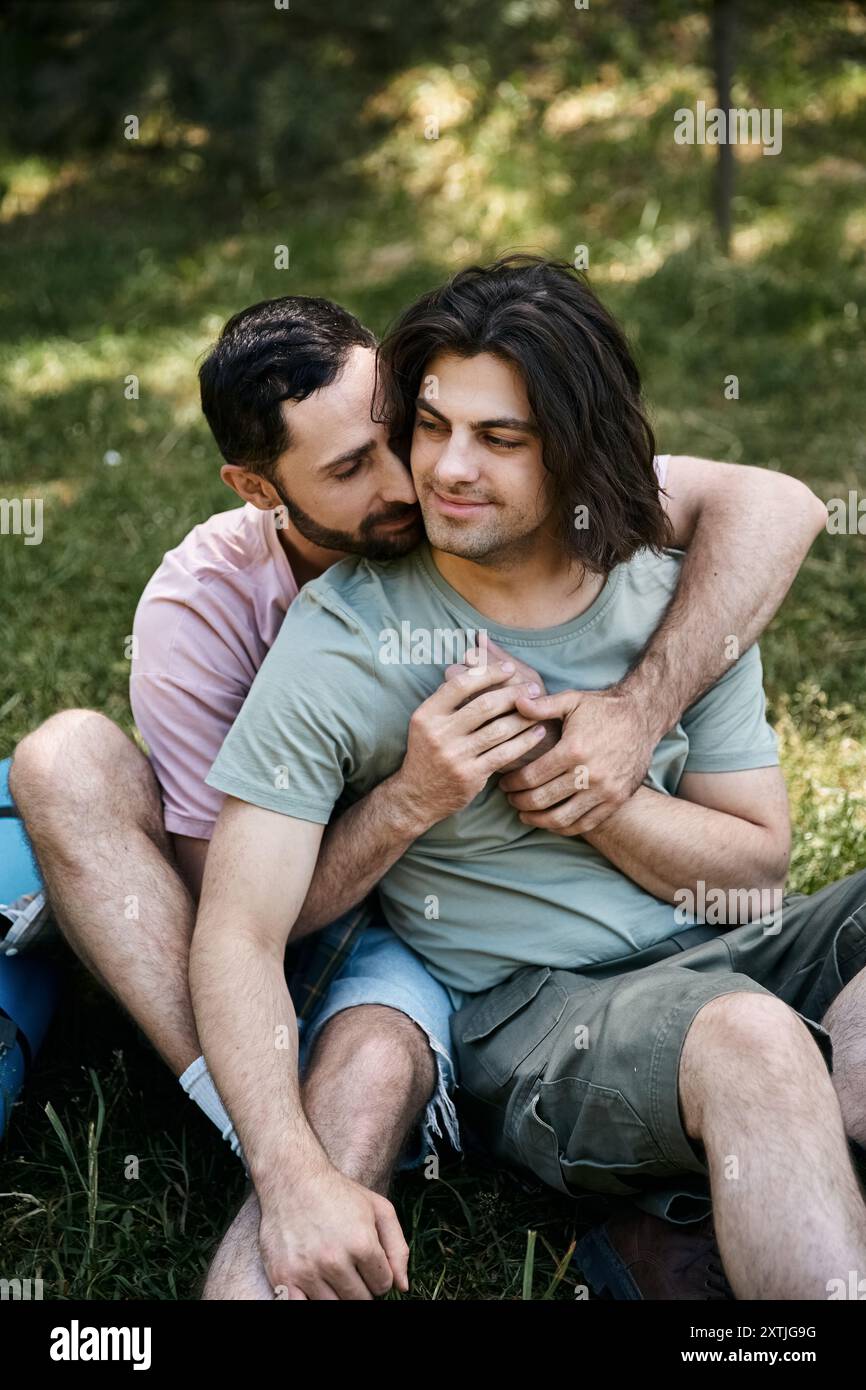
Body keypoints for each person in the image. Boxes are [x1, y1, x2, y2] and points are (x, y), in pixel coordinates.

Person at [190, 258, 853, 1302]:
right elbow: (235, 931)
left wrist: (600, 787)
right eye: (432, 425)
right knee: (751, 1041)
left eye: (499, 439)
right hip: (542, 1014)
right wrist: (293, 1173)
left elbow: (757, 873)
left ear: (575, 444)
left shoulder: (673, 591)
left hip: (733, 948)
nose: (446, 469)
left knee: (774, 1025)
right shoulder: (344, 641)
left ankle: (746, 1192)